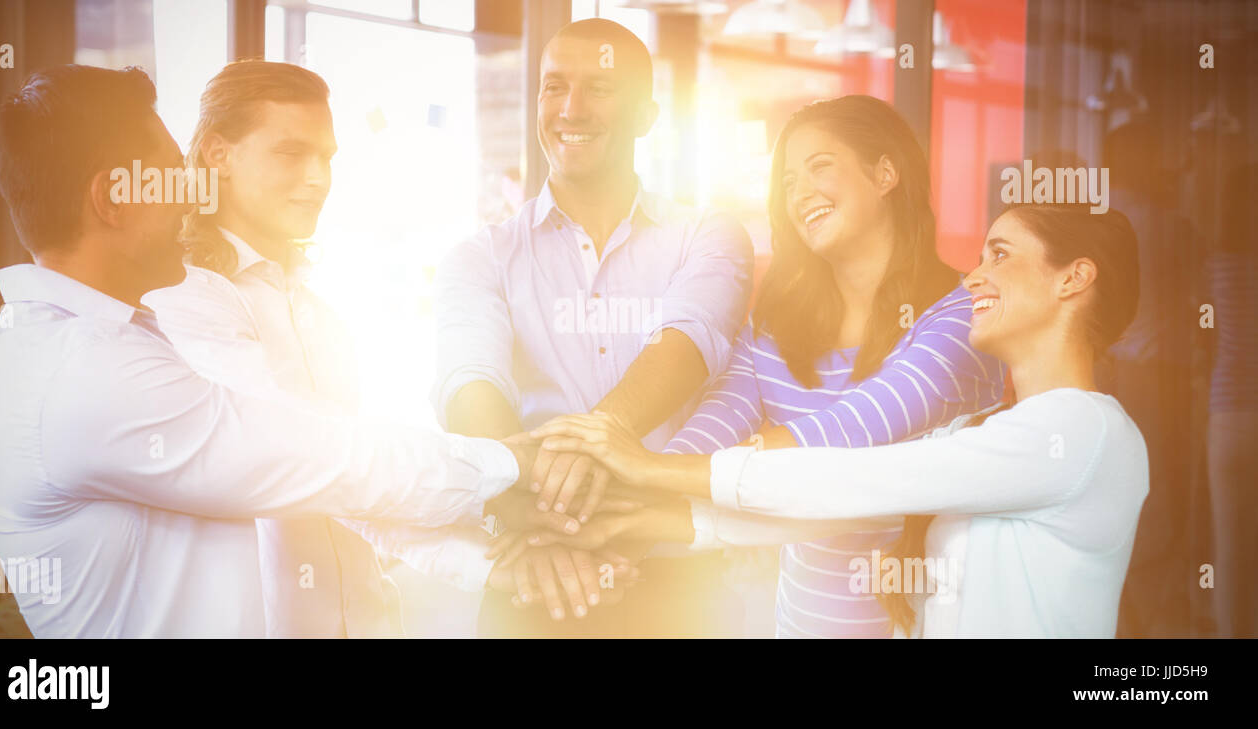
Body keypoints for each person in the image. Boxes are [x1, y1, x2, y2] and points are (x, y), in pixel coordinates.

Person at [0, 64, 543, 638]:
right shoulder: (90, 367)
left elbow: (330, 469)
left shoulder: (110, 337)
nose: (190, 192)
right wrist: (517, 466)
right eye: (175, 178)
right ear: (112, 200)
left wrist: (493, 546)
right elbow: (314, 459)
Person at [142, 60, 614, 637]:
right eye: (291, 154)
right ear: (218, 154)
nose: (318, 178)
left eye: (327, 157)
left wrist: (498, 561)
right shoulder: (188, 301)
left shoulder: (317, 314)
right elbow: (309, 459)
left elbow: (359, 486)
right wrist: (507, 477)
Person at [505, 96, 1006, 638]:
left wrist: (639, 467)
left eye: (820, 167)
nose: (800, 194)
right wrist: (582, 524)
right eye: (788, 182)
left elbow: (854, 431)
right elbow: (711, 431)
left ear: (885, 173)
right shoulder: (777, 323)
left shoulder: (963, 318)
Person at [530, 203, 1150, 638]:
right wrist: (650, 521)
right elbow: (847, 512)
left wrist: (651, 467)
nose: (973, 275)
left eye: (1001, 253)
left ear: (1075, 277)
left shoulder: (1084, 434)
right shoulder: (983, 431)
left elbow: (857, 479)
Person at [434, 18, 753, 635]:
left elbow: (685, 346)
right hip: (534, 575)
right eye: (554, 87)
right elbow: (470, 385)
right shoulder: (480, 257)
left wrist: (588, 449)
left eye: (599, 89)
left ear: (646, 114)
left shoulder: (708, 236)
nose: (570, 109)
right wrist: (536, 522)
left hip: (677, 585)